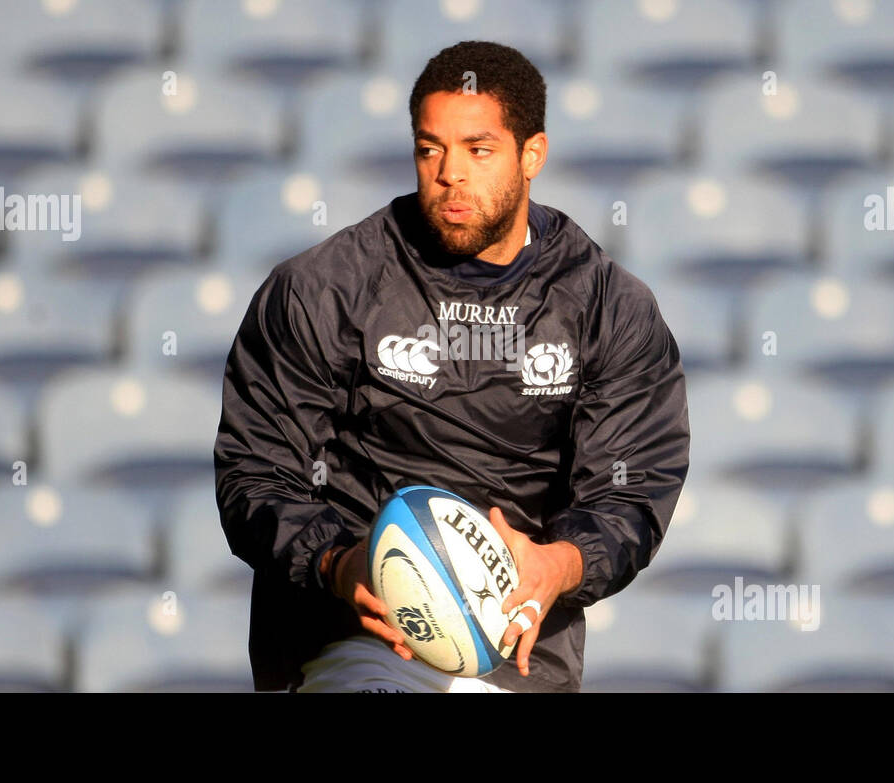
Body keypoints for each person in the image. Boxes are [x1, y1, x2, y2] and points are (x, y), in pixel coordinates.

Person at [214, 40, 690, 693]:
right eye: (430, 148)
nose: (450, 173)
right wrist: (336, 561)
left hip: (519, 652)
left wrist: (559, 562)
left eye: (478, 149)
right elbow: (256, 474)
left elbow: (631, 489)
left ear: (533, 156)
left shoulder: (609, 308)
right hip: (353, 640)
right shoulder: (322, 289)